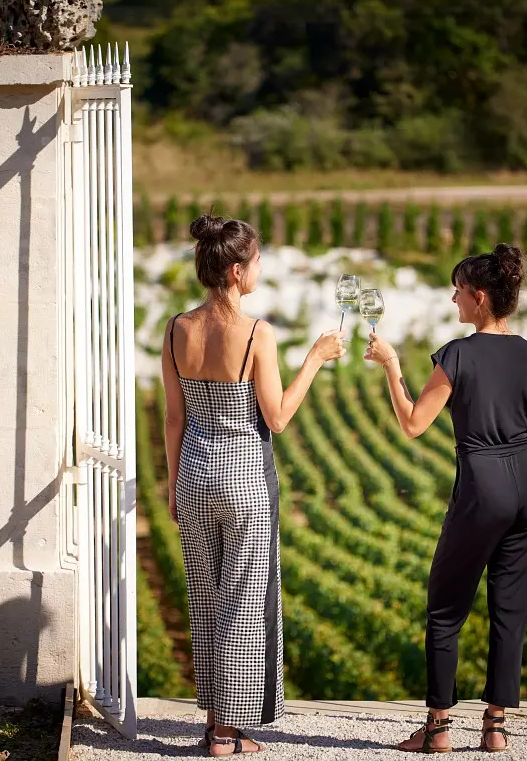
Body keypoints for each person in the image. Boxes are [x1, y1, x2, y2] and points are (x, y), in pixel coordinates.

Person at [364, 243, 527, 754]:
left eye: (457, 291)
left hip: (483, 486)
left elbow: (412, 423)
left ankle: (438, 728)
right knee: (510, 612)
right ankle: (495, 727)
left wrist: (390, 364)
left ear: (478, 297)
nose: (453, 300)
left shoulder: (458, 354)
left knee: (446, 608)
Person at [162, 214, 346, 756]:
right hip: (243, 481)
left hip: (193, 477)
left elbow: (174, 419)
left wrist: (173, 485)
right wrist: (314, 358)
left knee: (205, 596)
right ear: (238, 270)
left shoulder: (176, 328)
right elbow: (279, 417)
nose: (261, 267)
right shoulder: (256, 334)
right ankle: (226, 733)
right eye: (258, 260)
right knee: (243, 602)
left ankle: (216, 716)